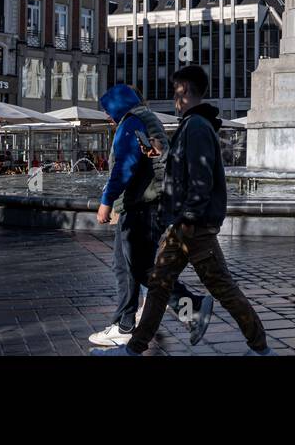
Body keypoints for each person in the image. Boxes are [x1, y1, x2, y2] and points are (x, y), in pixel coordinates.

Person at [119, 66, 271, 356]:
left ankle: (261, 347)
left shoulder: (197, 127)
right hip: (184, 225)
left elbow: (201, 180)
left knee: (222, 289)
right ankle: (134, 349)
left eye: (176, 90)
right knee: (159, 285)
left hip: (192, 226)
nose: (174, 97)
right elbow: (187, 171)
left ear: (185, 90)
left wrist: (187, 219)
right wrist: (163, 154)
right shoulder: (194, 124)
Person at [89, 83, 211, 349]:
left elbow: (125, 165)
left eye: (109, 111)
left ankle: (192, 307)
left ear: (118, 107)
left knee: (143, 270)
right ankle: (124, 324)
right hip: (145, 205)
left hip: (141, 207)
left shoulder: (131, 122)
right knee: (124, 267)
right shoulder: (146, 117)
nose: (109, 117)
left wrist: (106, 201)